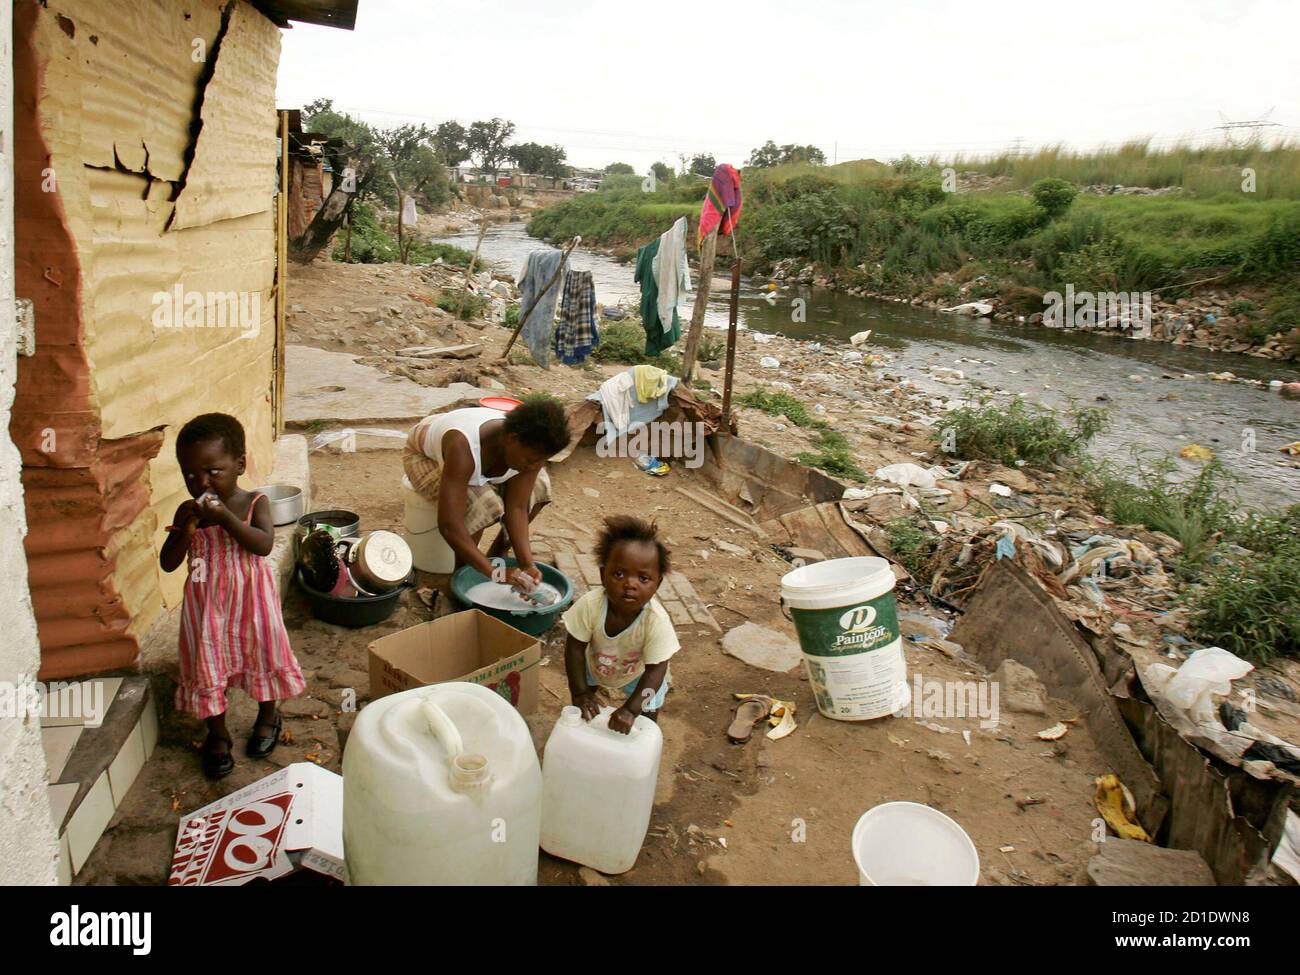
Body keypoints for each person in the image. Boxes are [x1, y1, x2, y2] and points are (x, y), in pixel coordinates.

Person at [159, 413, 306, 779]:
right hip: (206, 608)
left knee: (263, 655)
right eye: (190, 474)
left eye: (213, 471)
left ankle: (269, 714)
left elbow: (263, 545)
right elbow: (168, 562)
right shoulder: (187, 510)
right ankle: (218, 733)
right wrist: (186, 530)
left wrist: (225, 518)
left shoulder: (255, 503)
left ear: (239, 464)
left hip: (252, 605)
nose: (201, 482)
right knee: (207, 665)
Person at [404, 395, 568, 593]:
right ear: (511, 439)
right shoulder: (463, 446)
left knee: (540, 484)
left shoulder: (529, 449)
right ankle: (462, 576)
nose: (535, 466)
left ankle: (498, 553)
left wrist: (527, 564)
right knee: (484, 503)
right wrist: (492, 573)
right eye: (532, 460)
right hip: (422, 454)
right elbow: (450, 525)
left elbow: (516, 508)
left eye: (542, 460)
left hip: (479, 448)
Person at [562, 515, 679, 734]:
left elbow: (656, 670)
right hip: (596, 663)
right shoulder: (590, 605)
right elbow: (574, 649)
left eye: (643, 578)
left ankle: (644, 732)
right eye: (618, 574)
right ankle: (583, 718)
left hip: (639, 673)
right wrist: (579, 692)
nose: (630, 584)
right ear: (602, 574)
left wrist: (632, 710)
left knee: (647, 710)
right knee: (582, 702)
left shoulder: (656, 622)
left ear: (658, 584)